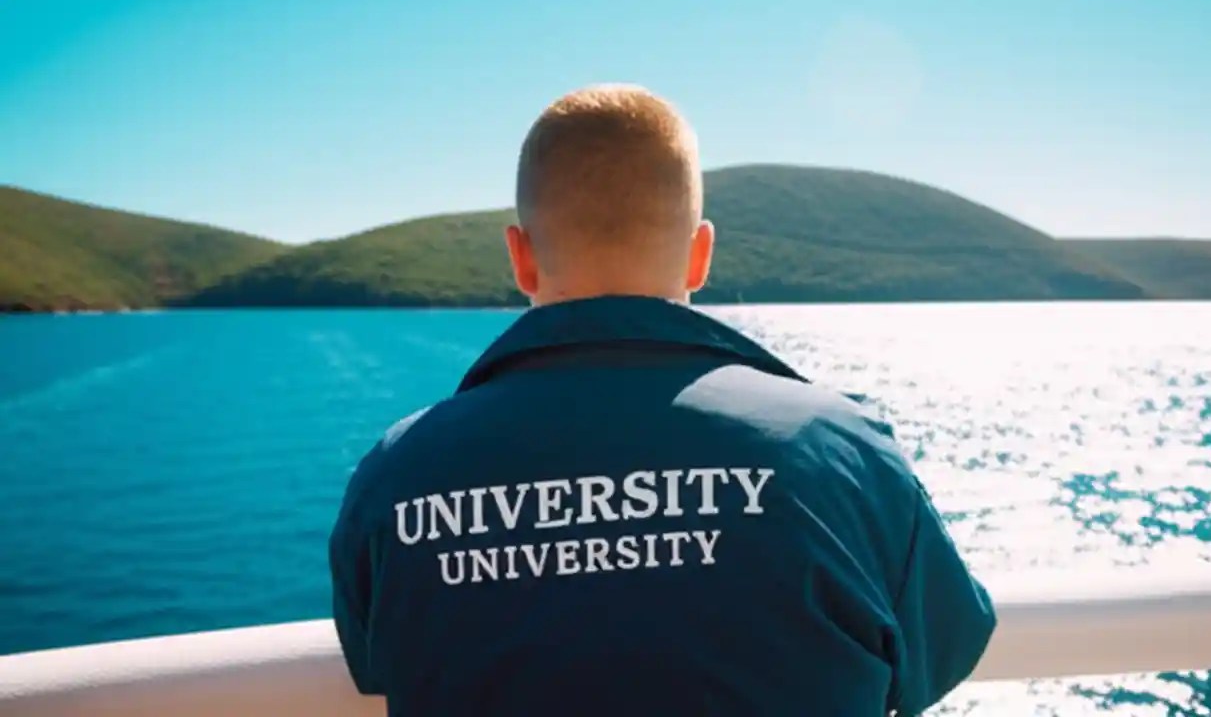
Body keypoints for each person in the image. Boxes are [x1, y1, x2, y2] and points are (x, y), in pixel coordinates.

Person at [329, 84, 995, 717]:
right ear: (701, 254)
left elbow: (374, 662)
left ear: (520, 257)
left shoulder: (396, 475)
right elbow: (943, 648)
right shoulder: (846, 456)